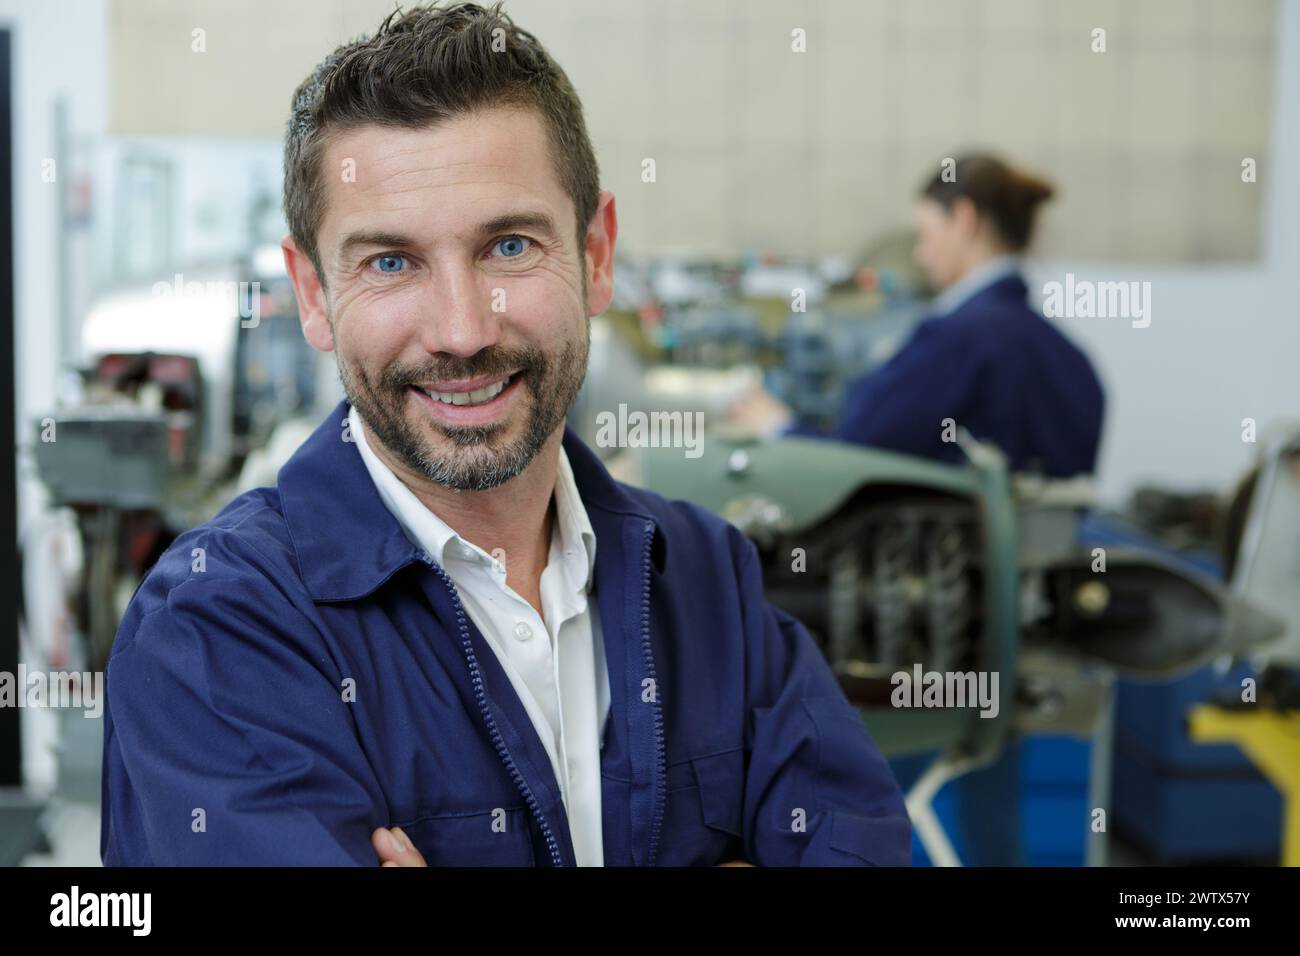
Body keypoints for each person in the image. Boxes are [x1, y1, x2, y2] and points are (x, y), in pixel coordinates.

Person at [99, 2, 909, 867]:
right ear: (311, 293)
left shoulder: (707, 580)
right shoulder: (218, 630)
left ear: (596, 253)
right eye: (389, 263)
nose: (459, 331)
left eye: (509, 246)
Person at [732, 154, 1105, 479]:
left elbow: (855, 454)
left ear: (964, 219)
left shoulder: (958, 337)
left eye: (926, 236)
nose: (921, 257)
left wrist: (780, 429)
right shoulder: (1072, 359)